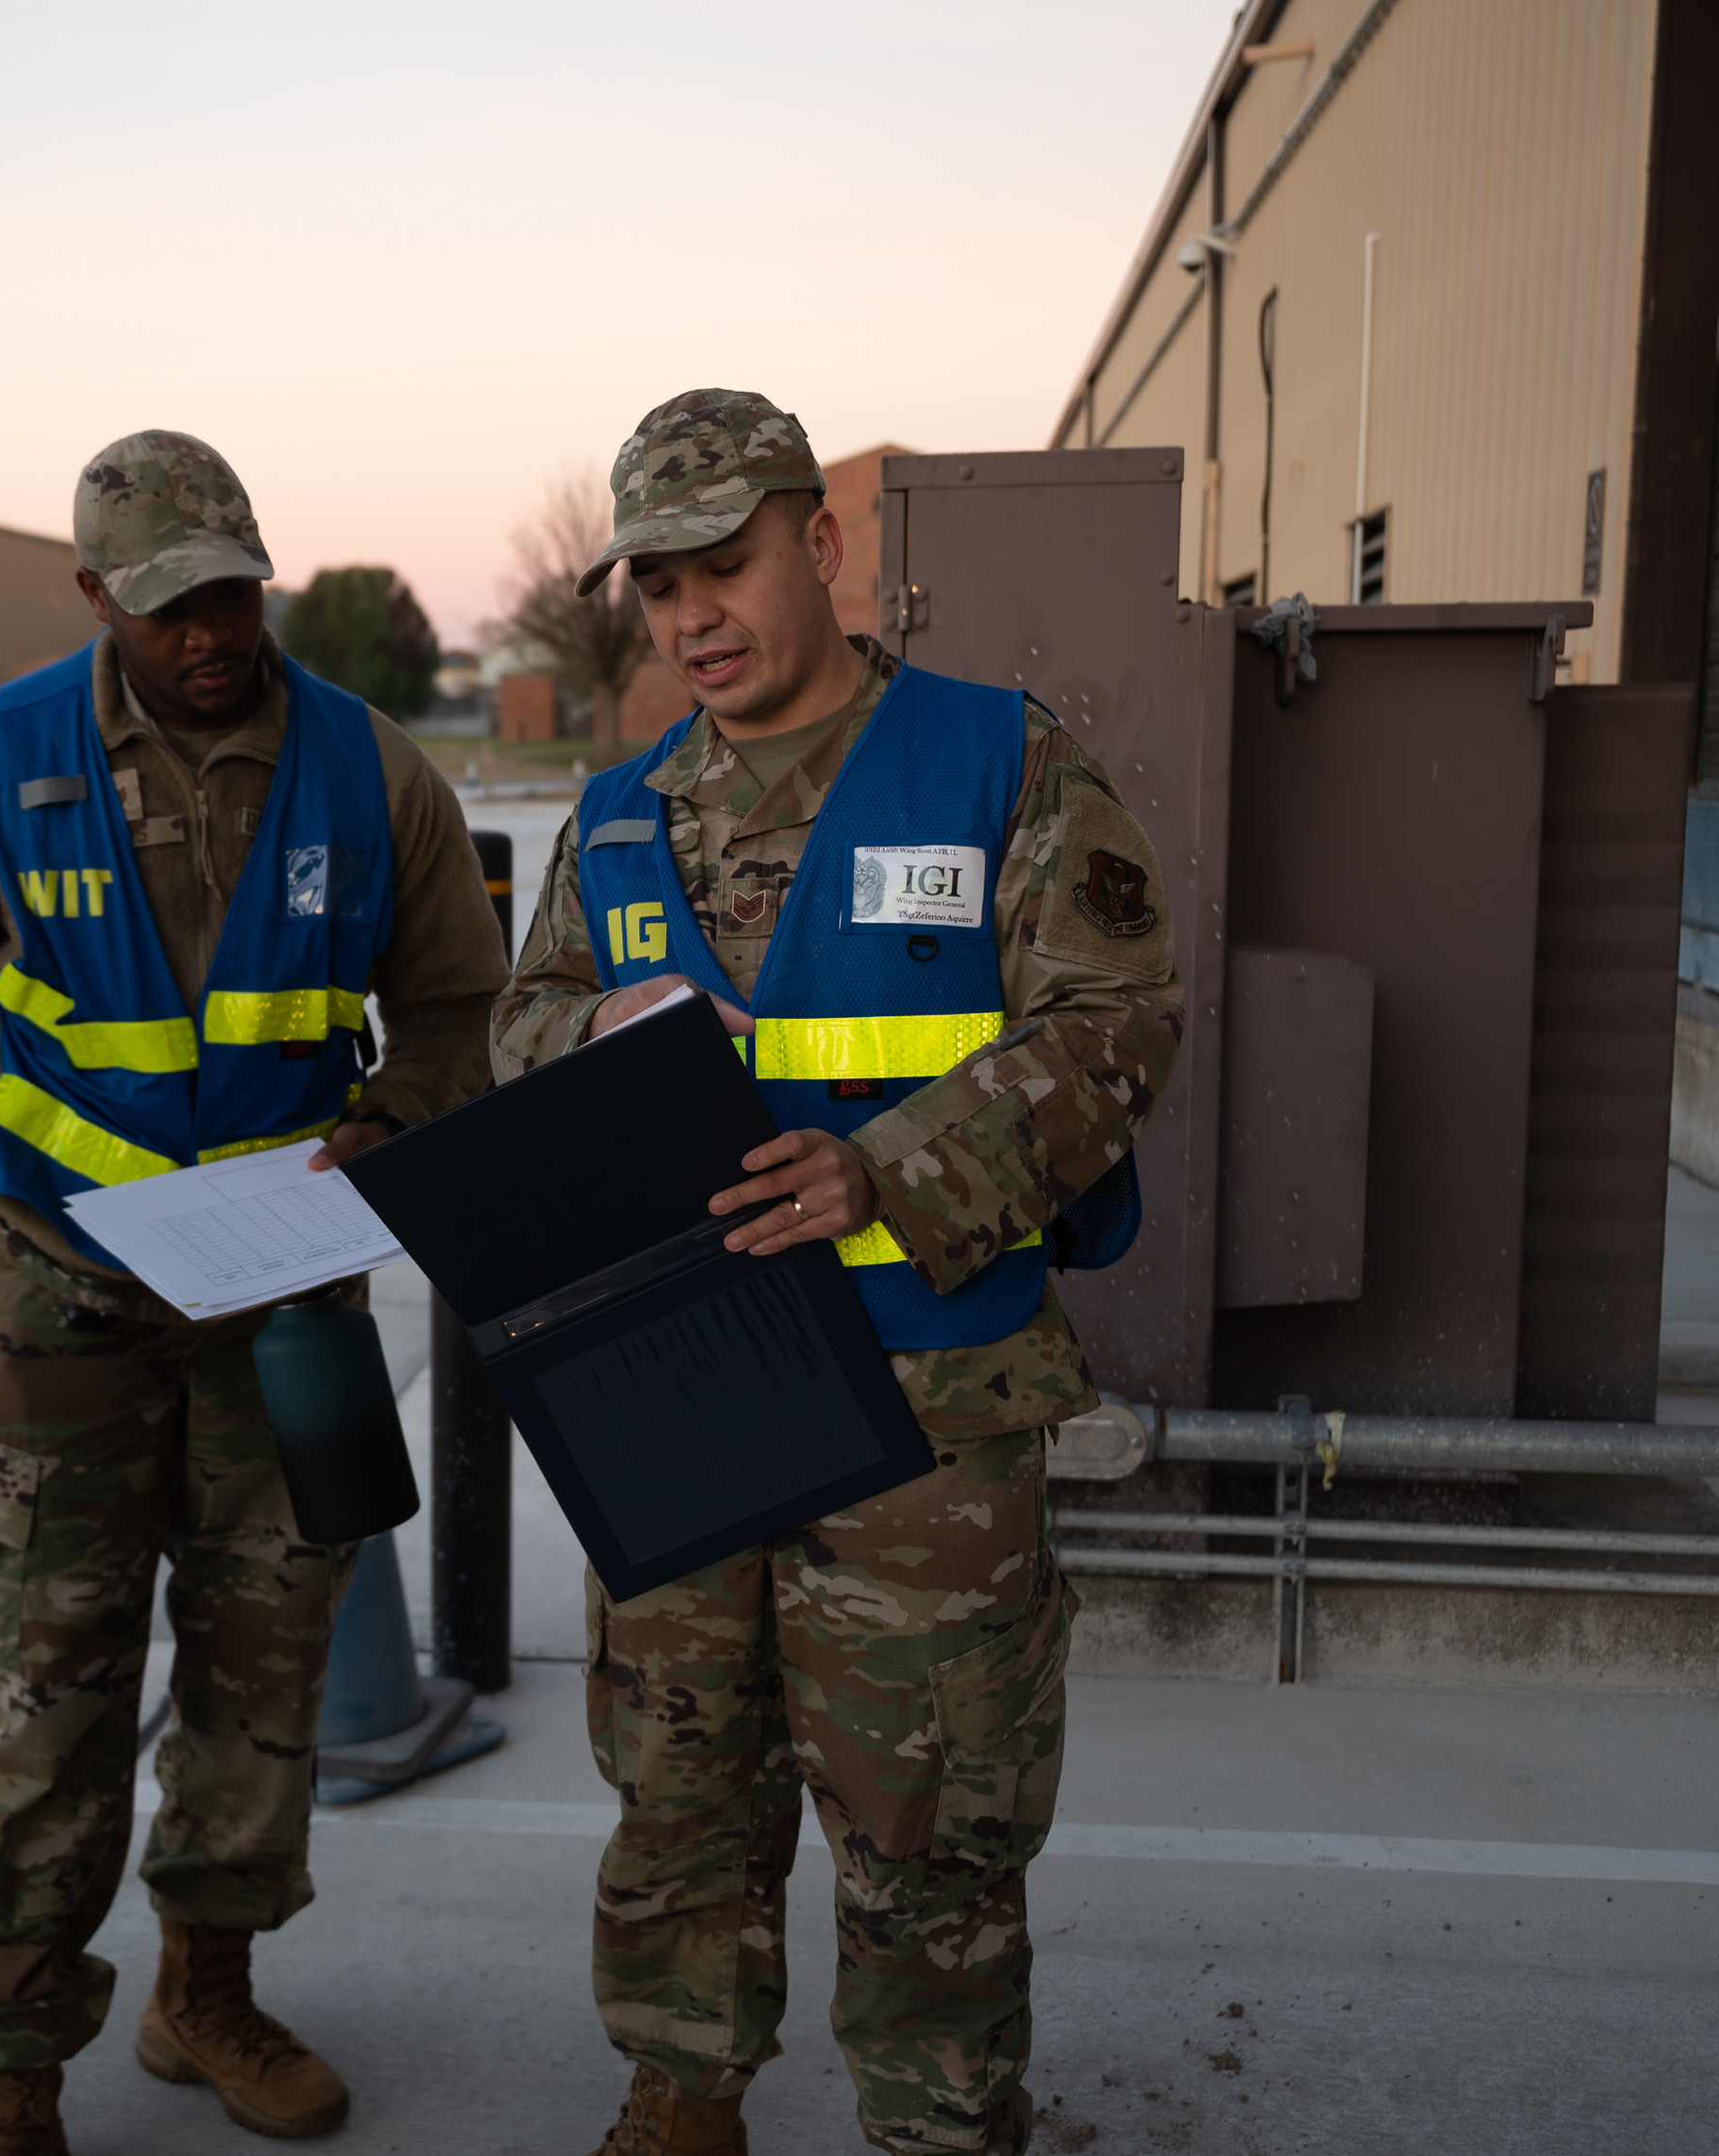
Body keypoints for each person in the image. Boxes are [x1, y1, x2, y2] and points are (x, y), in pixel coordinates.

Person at [491, 390, 1183, 2156]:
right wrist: (595, 1029)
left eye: (723, 567)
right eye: (657, 589)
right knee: (676, 1785)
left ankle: (940, 2118)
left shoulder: (998, 761)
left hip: (923, 1404)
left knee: (929, 1811)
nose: (692, 617)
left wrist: (882, 1168)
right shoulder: (627, 813)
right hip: (683, 1385)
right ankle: (679, 2088)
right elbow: (523, 1023)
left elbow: (1119, 1022)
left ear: (823, 540)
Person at [0, 431, 513, 2155]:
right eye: (165, 605)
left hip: (290, 1307)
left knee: (260, 1677)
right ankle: (8, 2068)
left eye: (229, 591)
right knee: (42, 1694)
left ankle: (202, 1986)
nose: (208, 630)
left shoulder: (372, 772)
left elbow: (461, 1004)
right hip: (61, 1296)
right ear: (93, 598)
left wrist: (389, 1126)